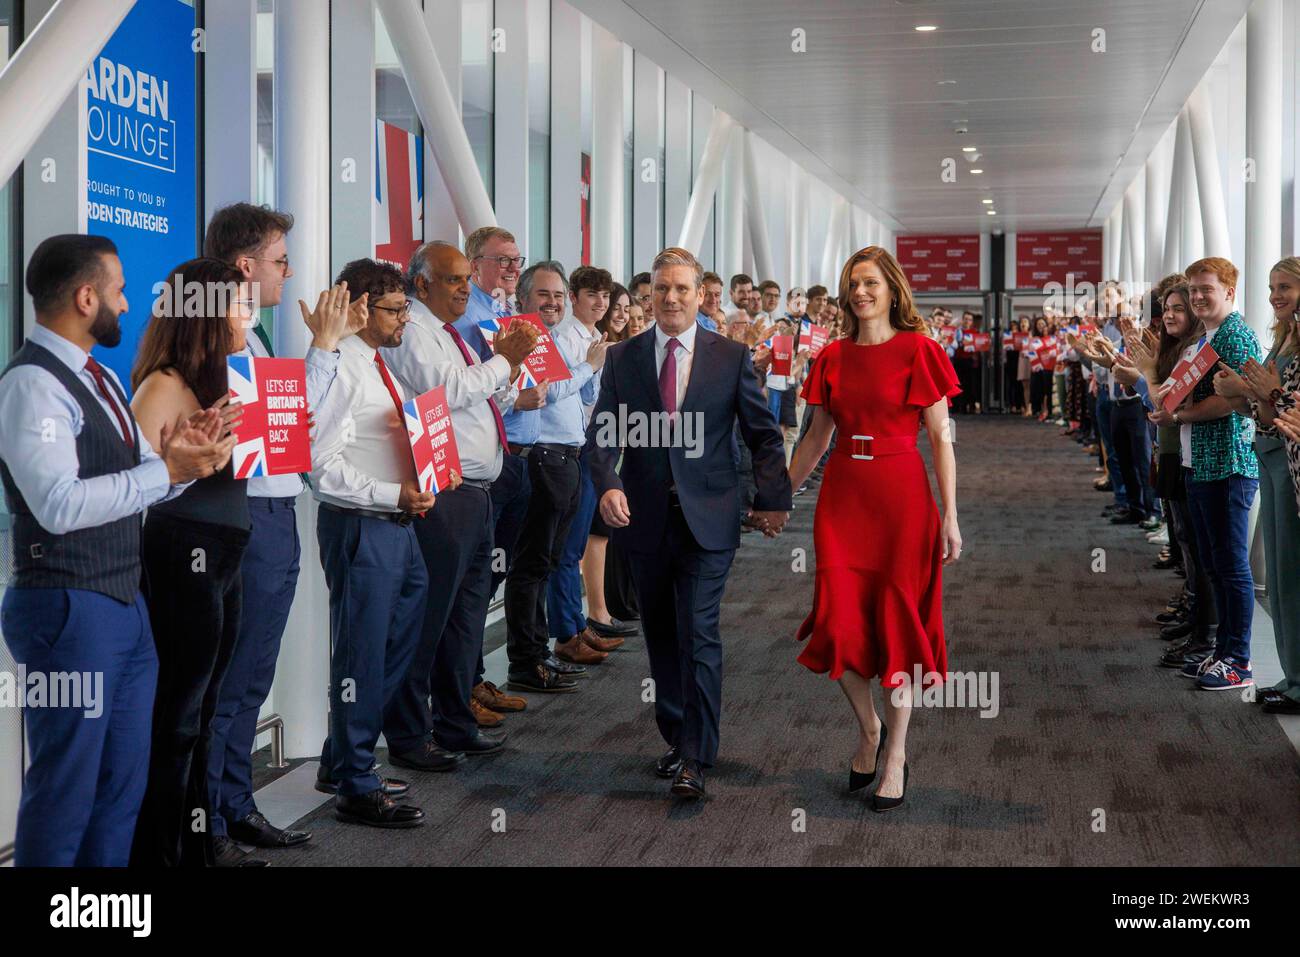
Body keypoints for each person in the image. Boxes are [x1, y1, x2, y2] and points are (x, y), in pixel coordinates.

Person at [0, 235, 232, 867]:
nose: (129, 306)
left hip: (123, 603)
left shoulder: (95, 376)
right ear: (84, 297)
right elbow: (59, 505)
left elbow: (132, 480)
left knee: (120, 788)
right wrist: (165, 472)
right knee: (66, 788)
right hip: (67, 606)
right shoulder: (32, 384)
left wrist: (181, 457)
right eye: (119, 290)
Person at [585, 247, 791, 800]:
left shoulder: (729, 356)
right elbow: (603, 433)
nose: (671, 299)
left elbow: (763, 434)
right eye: (661, 289)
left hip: (710, 518)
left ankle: (696, 756)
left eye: (682, 289)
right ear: (649, 295)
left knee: (698, 632)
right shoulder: (624, 358)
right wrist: (607, 483)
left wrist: (773, 498)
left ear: (700, 295)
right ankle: (677, 738)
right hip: (644, 521)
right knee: (661, 635)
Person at [202, 202, 357, 859]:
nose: (288, 272)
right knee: (232, 682)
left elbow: (294, 435)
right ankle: (209, 821)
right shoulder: (220, 341)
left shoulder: (254, 336)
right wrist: (323, 351)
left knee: (250, 677)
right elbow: (282, 437)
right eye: (278, 260)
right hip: (247, 521)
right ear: (244, 266)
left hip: (275, 516)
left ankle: (235, 806)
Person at [787, 245, 962, 812]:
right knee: (839, 618)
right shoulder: (832, 356)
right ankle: (868, 729)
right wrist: (776, 498)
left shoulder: (920, 349)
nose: (860, 292)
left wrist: (951, 517)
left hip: (902, 497)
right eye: (852, 284)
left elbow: (940, 437)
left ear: (892, 289)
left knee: (897, 625)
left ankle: (896, 753)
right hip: (843, 496)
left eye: (870, 282)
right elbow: (815, 438)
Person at [380, 243, 538, 762]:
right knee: (430, 620)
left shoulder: (455, 335)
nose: (465, 288)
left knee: (466, 618)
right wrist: (504, 360)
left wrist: (507, 370)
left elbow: (486, 395)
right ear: (420, 285)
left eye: (467, 279)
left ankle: (454, 722)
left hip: (477, 493)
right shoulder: (413, 333)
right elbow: (448, 393)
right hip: (443, 493)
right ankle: (409, 735)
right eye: (453, 279)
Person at [309, 257, 447, 828]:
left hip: (397, 524)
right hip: (365, 523)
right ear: (361, 309)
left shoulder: (377, 364)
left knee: (395, 647)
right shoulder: (342, 367)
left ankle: (343, 758)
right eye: (394, 309)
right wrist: (394, 495)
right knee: (362, 656)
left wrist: (437, 467)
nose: (405, 319)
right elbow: (320, 468)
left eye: (406, 307)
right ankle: (357, 784)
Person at [128, 258, 256, 867]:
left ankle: (200, 846)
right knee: (178, 718)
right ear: (204, 312)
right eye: (237, 305)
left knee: (205, 713)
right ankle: (159, 857)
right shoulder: (163, 386)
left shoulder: (223, 384)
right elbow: (128, 491)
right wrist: (185, 464)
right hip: (184, 556)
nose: (247, 317)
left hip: (226, 552)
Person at [500, 261, 609, 695]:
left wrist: (588, 369)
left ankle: (539, 650)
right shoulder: (525, 335)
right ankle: (526, 660)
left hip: (567, 455)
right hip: (543, 458)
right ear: (524, 299)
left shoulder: (551, 338)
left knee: (547, 561)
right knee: (531, 565)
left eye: (559, 296)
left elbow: (581, 392)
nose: (553, 303)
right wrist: (588, 366)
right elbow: (547, 391)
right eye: (544, 295)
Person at [1153, 257, 1261, 690]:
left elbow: (1230, 402)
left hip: (1228, 465)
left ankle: (1239, 659)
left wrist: (1180, 417)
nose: (1197, 297)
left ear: (1230, 292)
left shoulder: (1235, 335)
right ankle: (1222, 651)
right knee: (1214, 565)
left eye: (1206, 289)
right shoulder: (1208, 337)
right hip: (1200, 464)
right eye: (1194, 289)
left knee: (1232, 567)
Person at [1211, 256, 1300, 712]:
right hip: (1270, 456)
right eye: (1271, 287)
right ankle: (1292, 677)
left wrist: (1261, 393)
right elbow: (1267, 414)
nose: (1276, 296)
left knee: (1289, 576)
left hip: (1290, 465)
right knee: (1282, 581)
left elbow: (1283, 408)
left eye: (1285, 287)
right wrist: (1243, 393)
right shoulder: (1281, 340)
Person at [458, 226, 536, 719]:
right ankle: (460, 688)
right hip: (478, 464)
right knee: (472, 587)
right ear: (474, 263)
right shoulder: (468, 315)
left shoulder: (509, 313)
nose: (511, 269)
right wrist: (512, 392)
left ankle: (475, 678)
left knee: (495, 575)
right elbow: (466, 391)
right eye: (501, 260)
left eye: (516, 260)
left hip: (506, 459)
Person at [547, 266, 619, 666]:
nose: (600, 303)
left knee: (575, 543)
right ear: (574, 296)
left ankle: (575, 625)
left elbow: (591, 393)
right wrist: (591, 365)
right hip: (560, 447)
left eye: (605, 297)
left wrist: (593, 367)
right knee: (566, 549)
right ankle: (567, 632)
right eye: (592, 295)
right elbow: (560, 391)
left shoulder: (594, 337)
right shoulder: (562, 336)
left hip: (588, 443)